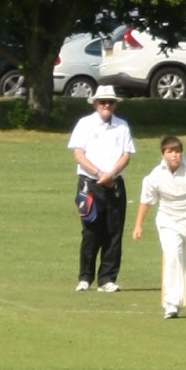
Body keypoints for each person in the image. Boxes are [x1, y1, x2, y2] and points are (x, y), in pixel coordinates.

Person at [132, 134, 186, 319]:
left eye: (177, 151)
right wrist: (138, 225)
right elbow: (146, 201)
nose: (175, 155)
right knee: (173, 259)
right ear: (163, 154)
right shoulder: (155, 175)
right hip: (169, 222)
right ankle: (171, 305)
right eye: (170, 151)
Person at [68, 84, 134, 292]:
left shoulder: (122, 126)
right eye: (103, 102)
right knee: (90, 231)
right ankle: (85, 277)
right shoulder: (85, 124)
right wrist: (98, 174)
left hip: (114, 184)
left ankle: (107, 279)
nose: (107, 105)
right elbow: (78, 154)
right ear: (95, 103)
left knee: (113, 232)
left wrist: (110, 175)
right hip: (89, 184)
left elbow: (126, 155)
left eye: (110, 102)